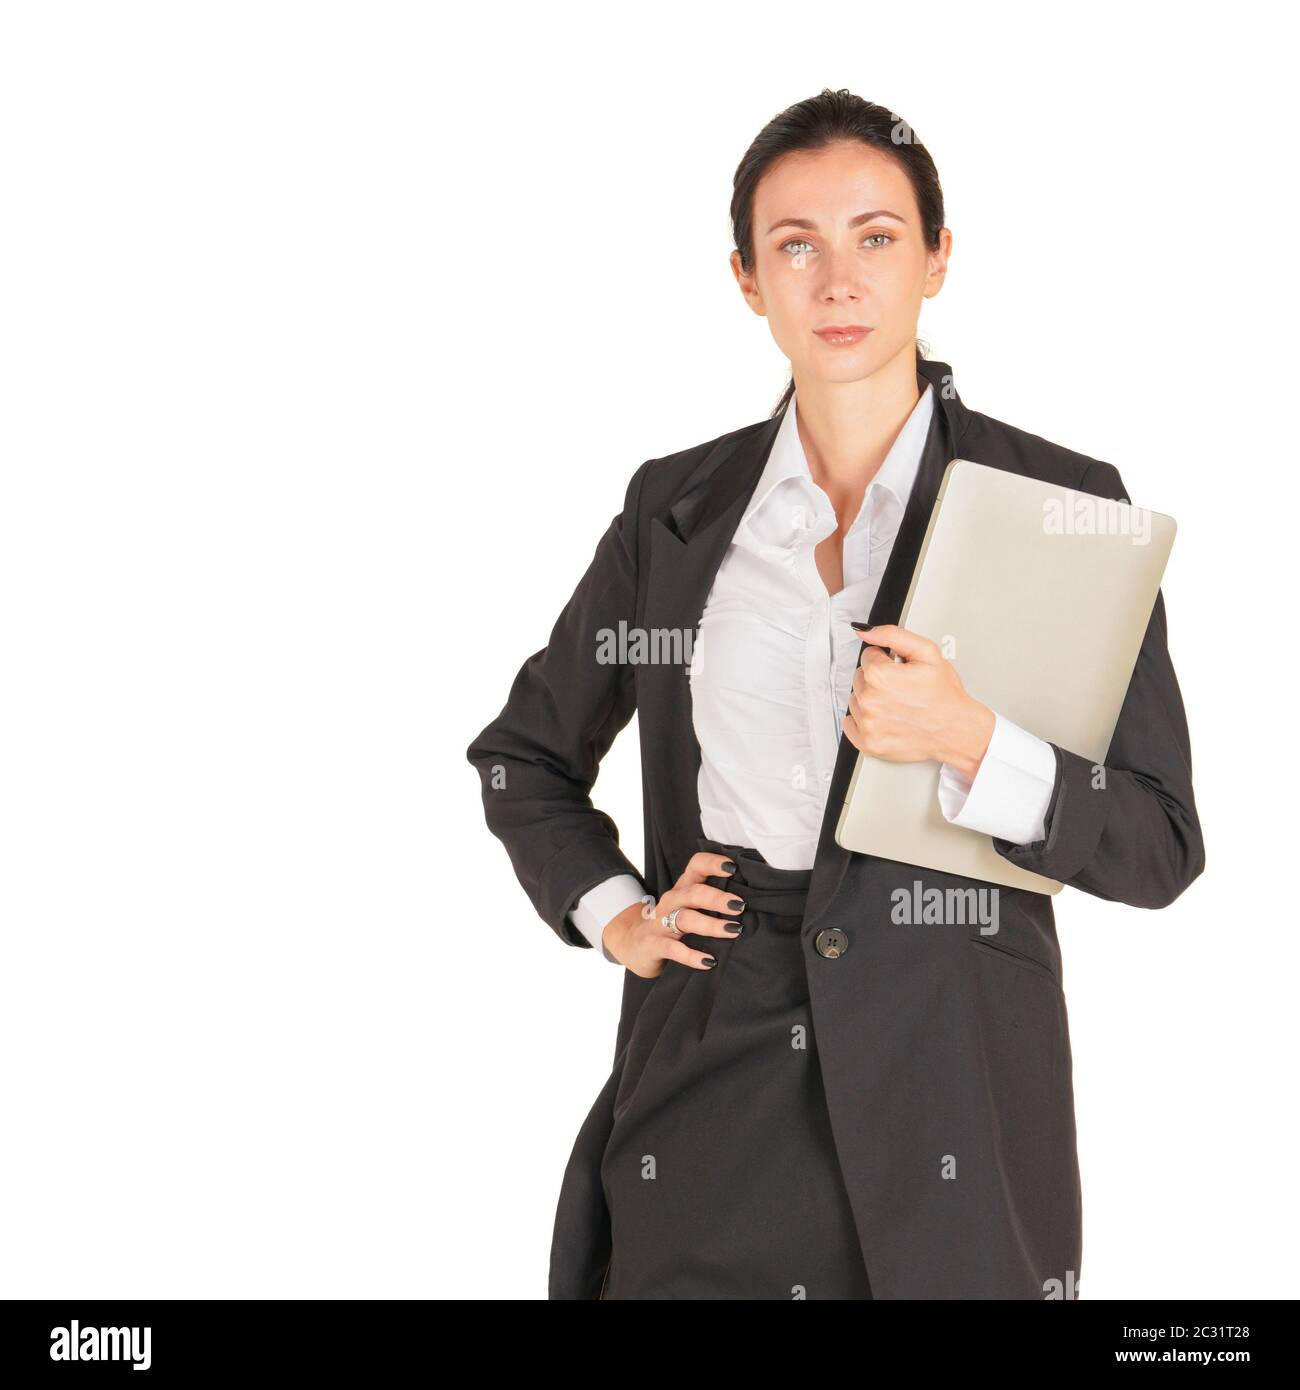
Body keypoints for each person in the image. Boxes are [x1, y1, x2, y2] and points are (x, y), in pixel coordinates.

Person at [466, 88, 1205, 1300]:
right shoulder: (676, 509)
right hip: (714, 1061)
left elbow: (1160, 844)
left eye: (875, 238)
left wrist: (973, 742)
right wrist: (620, 915)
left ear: (937, 260)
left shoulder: (1064, 503)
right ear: (748, 280)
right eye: (793, 246)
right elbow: (523, 757)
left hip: (951, 1069)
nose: (836, 281)